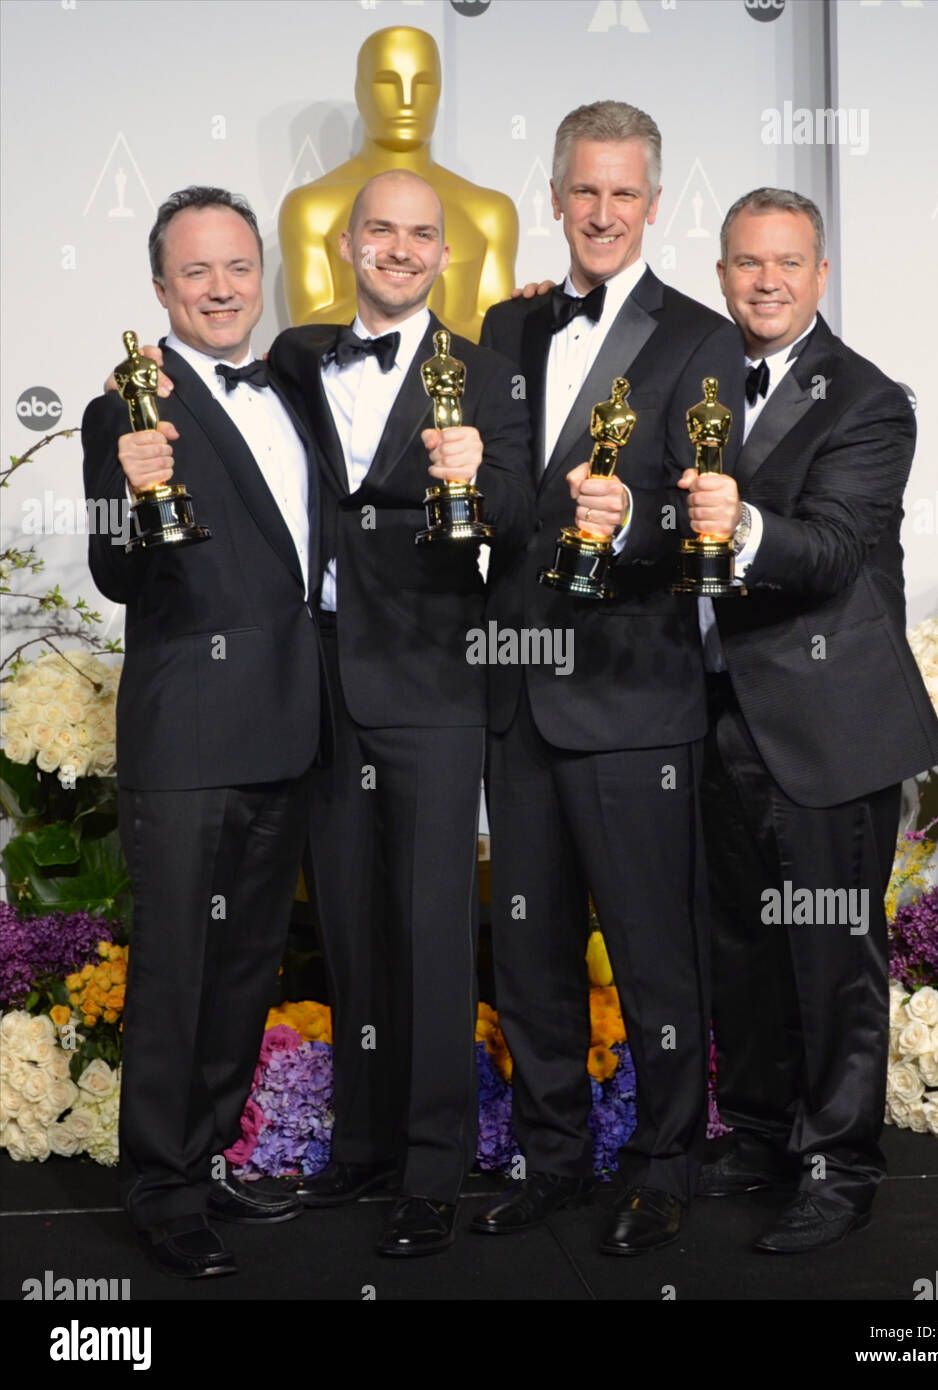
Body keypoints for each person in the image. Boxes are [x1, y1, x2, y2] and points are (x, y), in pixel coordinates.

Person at [472, 100, 744, 1255]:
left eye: (622, 192)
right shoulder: (504, 325)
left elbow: (706, 526)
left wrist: (629, 521)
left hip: (633, 692)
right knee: (527, 948)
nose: (600, 211)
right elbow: (488, 499)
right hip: (514, 688)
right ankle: (551, 1154)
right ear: (552, 195)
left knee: (650, 950)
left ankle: (662, 1163)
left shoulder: (699, 337)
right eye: (583, 190)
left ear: (652, 203)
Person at [268, 168, 534, 1256]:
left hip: (430, 677)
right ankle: (363, 1146)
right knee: (348, 920)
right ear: (345, 242)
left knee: (429, 928)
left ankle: (433, 1166)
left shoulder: (484, 374)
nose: (399, 247)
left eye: (419, 234)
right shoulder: (291, 357)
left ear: (442, 253)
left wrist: (484, 477)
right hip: (315, 676)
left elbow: (522, 511)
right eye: (380, 228)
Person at [687, 187, 938, 1252]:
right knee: (740, 948)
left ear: (820, 275)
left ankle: (838, 1166)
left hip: (825, 726)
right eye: (746, 262)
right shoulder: (694, 381)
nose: (765, 281)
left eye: (786, 263)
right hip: (711, 715)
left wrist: (740, 521)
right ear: (719, 274)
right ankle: (755, 1136)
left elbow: (834, 547)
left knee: (831, 954)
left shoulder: (867, 400)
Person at [82, 186, 326, 1279]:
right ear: (160, 290)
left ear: (259, 271)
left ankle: (213, 1153)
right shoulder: (123, 410)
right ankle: (161, 1187)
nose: (222, 288)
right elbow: (114, 572)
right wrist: (134, 499)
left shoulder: (290, 387)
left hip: (287, 728)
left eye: (237, 267)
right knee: (179, 969)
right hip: (187, 740)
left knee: (243, 967)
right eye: (196, 273)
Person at [278, 25, 517, 338]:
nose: (407, 100)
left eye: (424, 83)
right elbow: (309, 333)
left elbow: (497, 337)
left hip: (460, 384)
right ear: (360, 90)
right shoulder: (311, 209)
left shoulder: (489, 212)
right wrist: (409, 294)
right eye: (387, 83)